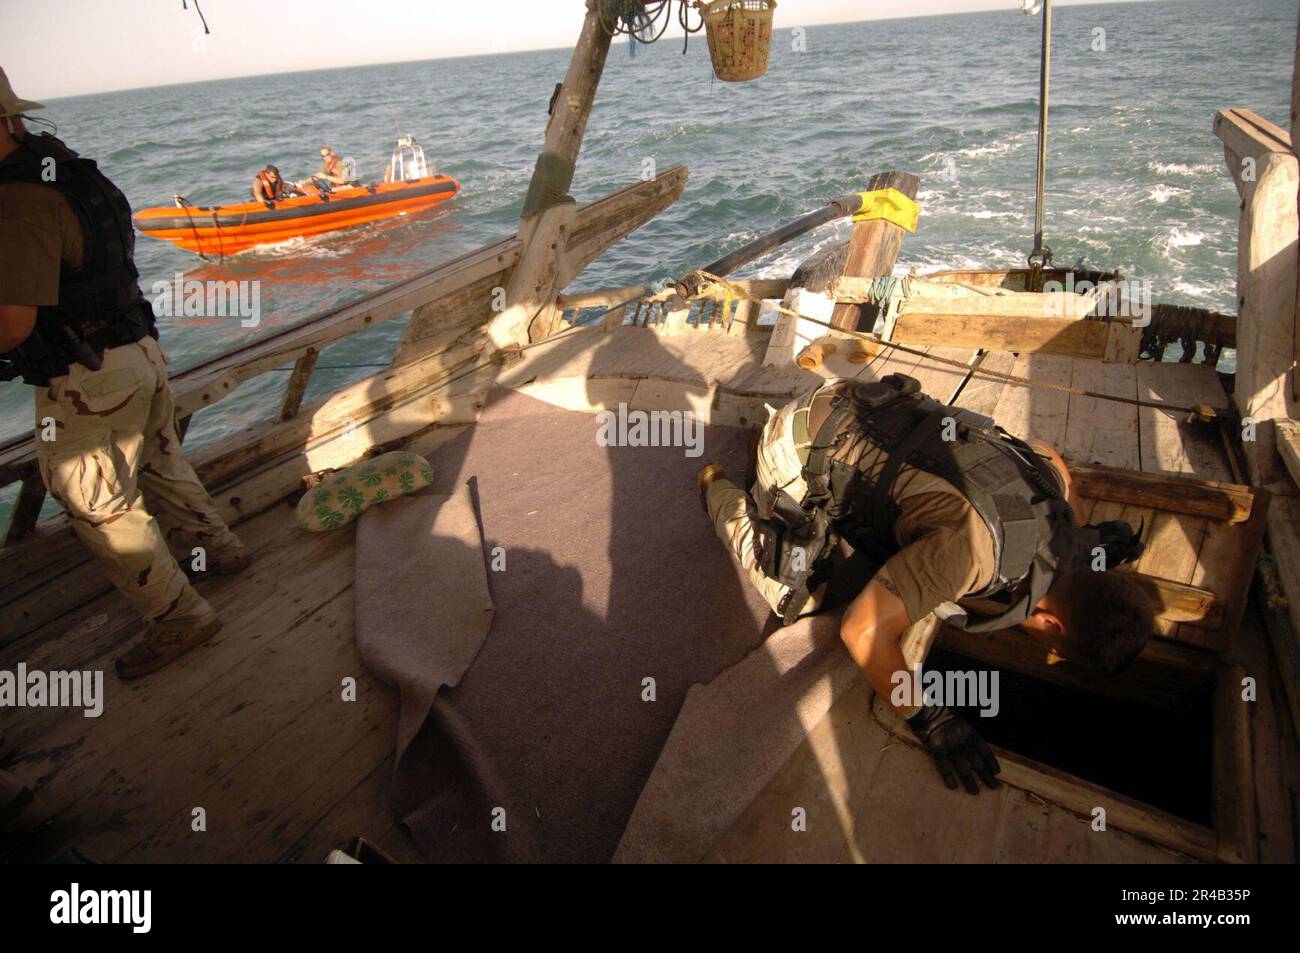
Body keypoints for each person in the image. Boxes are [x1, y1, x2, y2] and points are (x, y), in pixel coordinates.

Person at [698, 373, 1154, 795]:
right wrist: (928, 717)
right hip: (797, 446)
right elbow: (862, 632)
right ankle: (719, 492)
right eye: (1056, 650)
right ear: (1051, 624)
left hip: (862, 400)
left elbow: (1045, 449)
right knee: (796, 587)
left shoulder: (1052, 490)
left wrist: (1085, 531)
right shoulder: (971, 555)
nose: (1048, 654)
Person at [0, 67, 250, 679]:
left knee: (95, 501)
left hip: (88, 379)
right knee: (161, 459)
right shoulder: (64, 168)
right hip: (138, 352)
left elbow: (12, 326)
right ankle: (220, 549)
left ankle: (181, 618)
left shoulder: (17, 199)